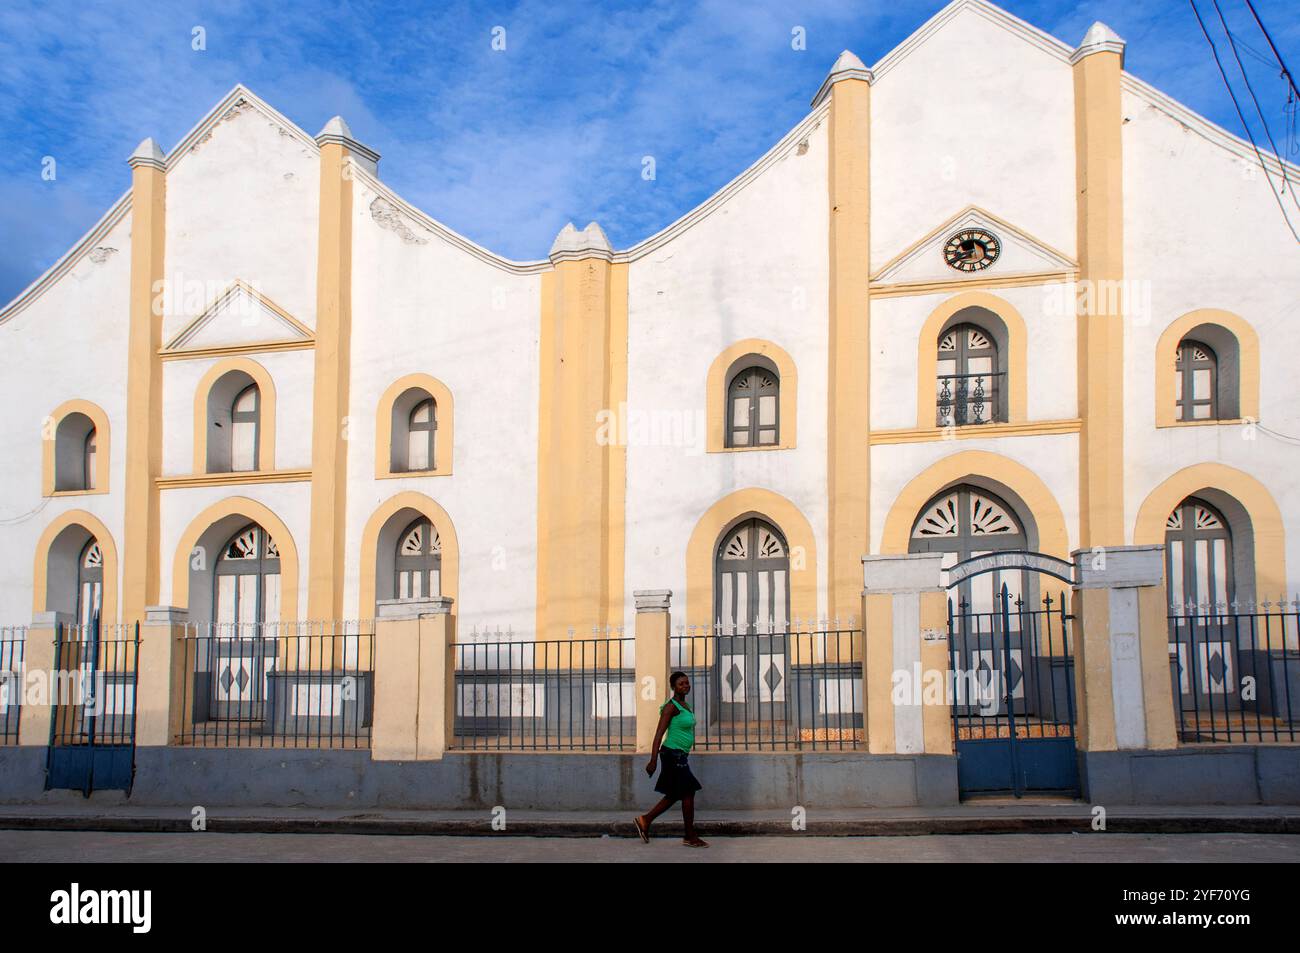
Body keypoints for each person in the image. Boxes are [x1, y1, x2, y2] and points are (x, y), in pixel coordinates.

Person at [633, 671, 707, 847]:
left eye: (687, 683)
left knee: (676, 794)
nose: (685, 686)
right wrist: (653, 760)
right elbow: (659, 733)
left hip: (679, 755)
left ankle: (645, 820)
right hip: (672, 755)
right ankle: (689, 836)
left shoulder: (684, 705)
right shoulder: (670, 707)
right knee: (688, 791)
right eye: (681, 684)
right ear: (673, 687)